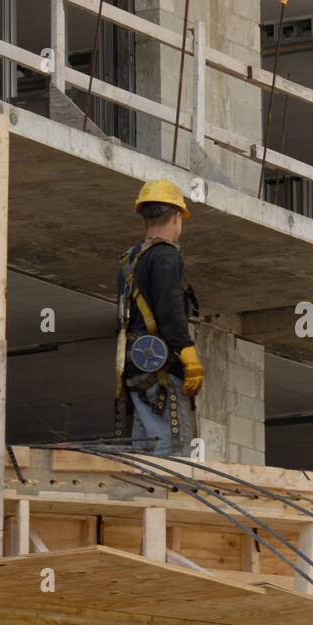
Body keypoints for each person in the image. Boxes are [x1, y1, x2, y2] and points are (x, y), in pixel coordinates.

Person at [115, 179, 205, 457]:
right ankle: (168, 497)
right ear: (177, 217)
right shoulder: (166, 256)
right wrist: (188, 353)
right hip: (159, 367)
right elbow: (170, 310)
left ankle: (148, 497)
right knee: (171, 450)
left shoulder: (130, 259)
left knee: (146, 449)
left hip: (133, 365)